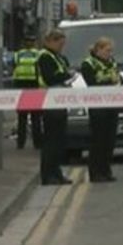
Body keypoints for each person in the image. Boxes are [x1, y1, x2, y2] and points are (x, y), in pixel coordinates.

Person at [80, 37, 123, 183]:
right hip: (98, 107)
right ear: (98, 49)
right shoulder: (88, 64)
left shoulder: (112, 61)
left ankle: (106, 170)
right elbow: (92, 83)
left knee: (109, 141)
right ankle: (95, 173)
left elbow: (118, 77)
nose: (110, 53)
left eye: (111, 50)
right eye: (107, 50)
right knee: (98, 141)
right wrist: (110, 81)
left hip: (112, 105)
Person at [36, 29, 75, 185]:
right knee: (51, 141)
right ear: (50, 41)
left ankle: (56, 173)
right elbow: (50, 78)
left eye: (63, 44)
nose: (61, 47)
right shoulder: (45, 57)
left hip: (60, 100)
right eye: (59, 43)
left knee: (59, 140)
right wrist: (68, 75)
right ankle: (48, 175)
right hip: (49, 100)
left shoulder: (57, 57)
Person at [12, 35, 43, 150]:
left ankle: (21, 143)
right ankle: (37, 143)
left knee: (22, 118)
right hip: (33, 86)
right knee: (35, 118)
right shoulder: (38, 54)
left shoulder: (18, 54)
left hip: (22, 87)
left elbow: (14, 68)